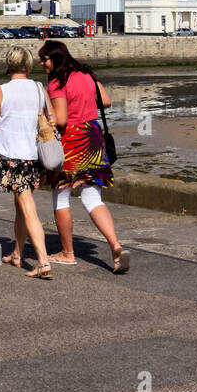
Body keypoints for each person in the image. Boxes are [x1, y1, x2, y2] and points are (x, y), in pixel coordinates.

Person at [37, 40, 129, 274]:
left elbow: (62, 120)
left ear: (55, 58)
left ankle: (68, 254)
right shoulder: (86, 73)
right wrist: (84, 101)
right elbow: (106, 101)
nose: (41, 63)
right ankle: (115, 246)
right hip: (93, 137)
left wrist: (41, 118)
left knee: (61, 197)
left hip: (72, 141)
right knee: (92, 198)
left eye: (44, 58)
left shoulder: (58, 81)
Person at [0, 47, 54, 279]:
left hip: (14, 158)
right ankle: (17, 254)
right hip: (33, 158)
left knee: (28, 208)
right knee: (20, 207)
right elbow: (51, 118)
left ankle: (43, 262)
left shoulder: (2, 91)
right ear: (28, 65)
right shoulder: (38, 88)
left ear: (9, 65)